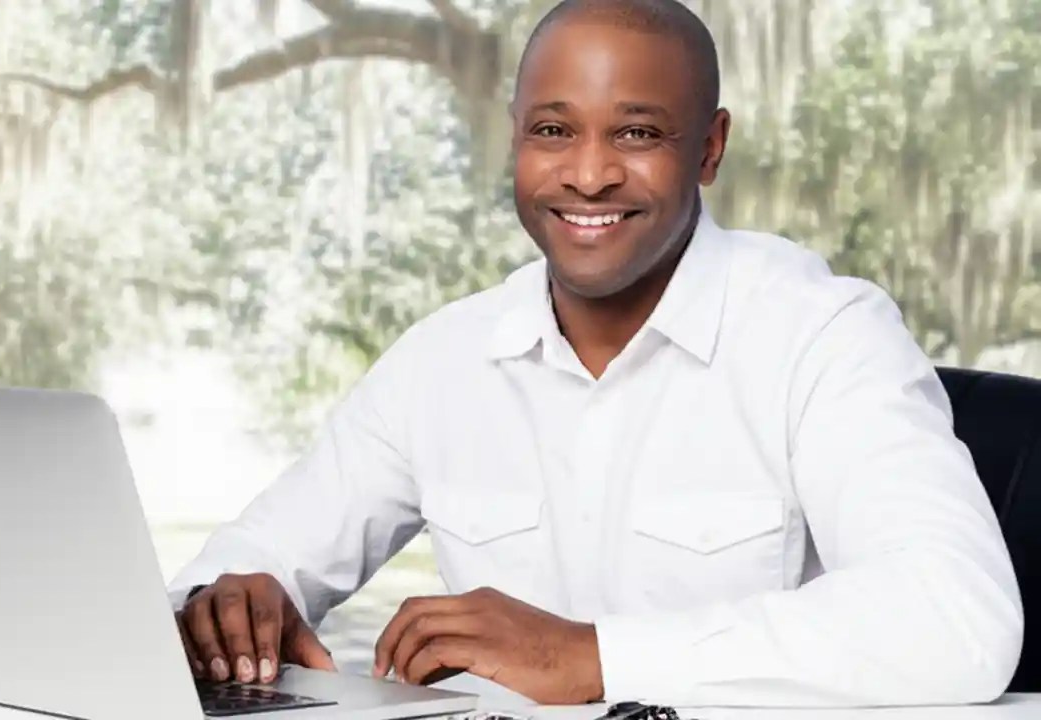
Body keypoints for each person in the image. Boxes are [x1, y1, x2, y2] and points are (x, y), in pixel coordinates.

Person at [168, 0, 1023, 708]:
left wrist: (591, 655)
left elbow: (956, 622)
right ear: (515, 139)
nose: (587, 175)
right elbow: (251, 566)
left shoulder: (824, 336)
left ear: (710, 147)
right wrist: (228, 607)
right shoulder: (444, 359)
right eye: (552, 129)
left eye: (637, 135)